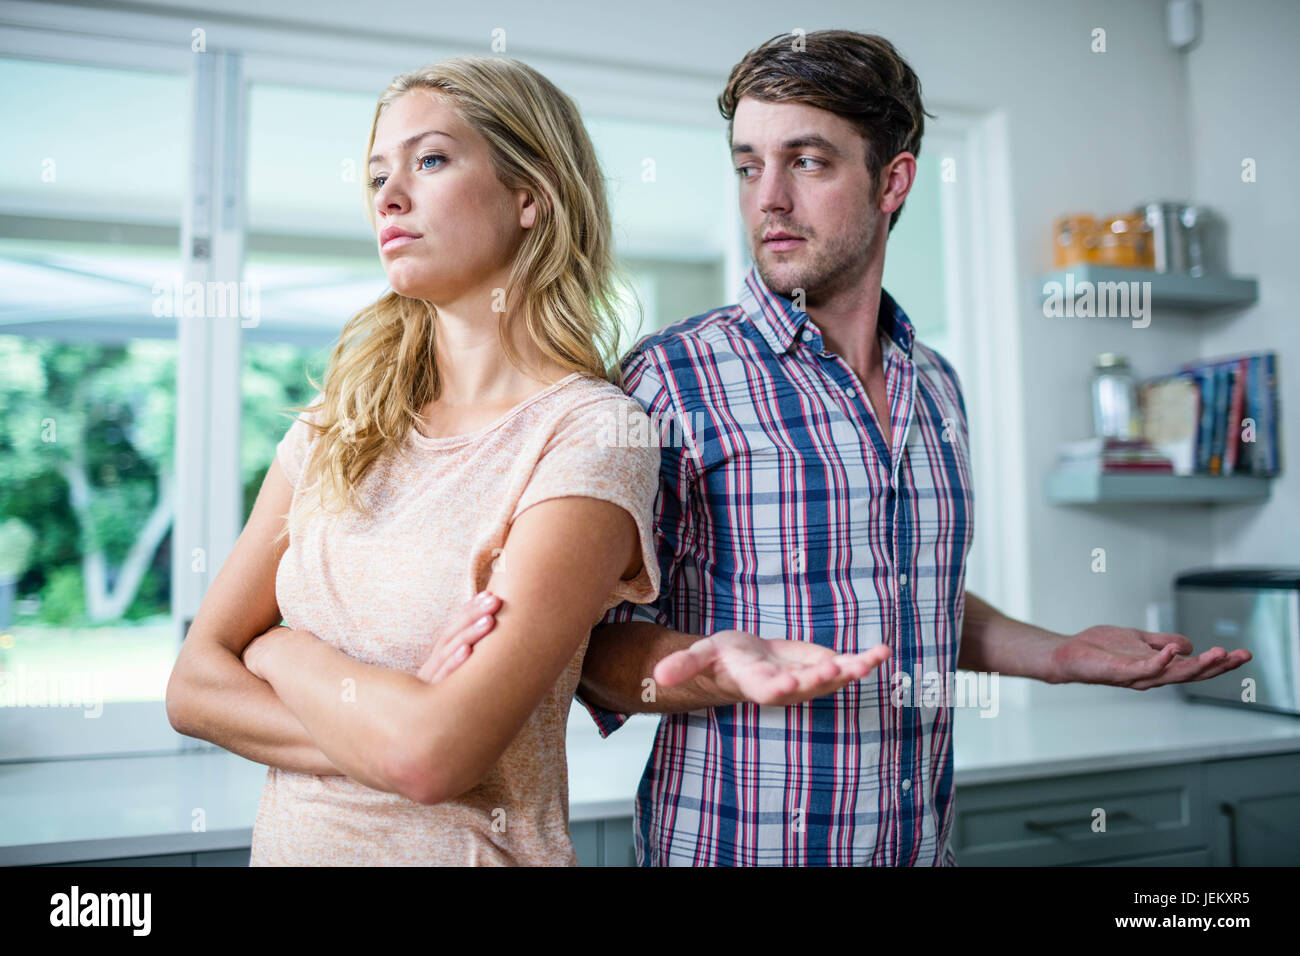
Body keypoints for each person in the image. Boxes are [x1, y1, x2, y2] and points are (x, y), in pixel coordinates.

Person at [434, 29, 1252, 867]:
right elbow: (591, 654)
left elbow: (905, 597)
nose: (769, 200)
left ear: (891, 181)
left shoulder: (938, 387)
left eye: (809, 162)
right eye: (749, 165)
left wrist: (1059, 655)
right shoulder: (668, 381)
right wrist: (720, 667)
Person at [166, 54, 666, 865]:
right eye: (376, 178)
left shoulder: (590, 435)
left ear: (530, 194)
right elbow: (192, 687)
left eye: (430, 160)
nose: (390, 198)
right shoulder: (340, 420)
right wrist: (387, 726)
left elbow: (436, 758)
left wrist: (279, 650)